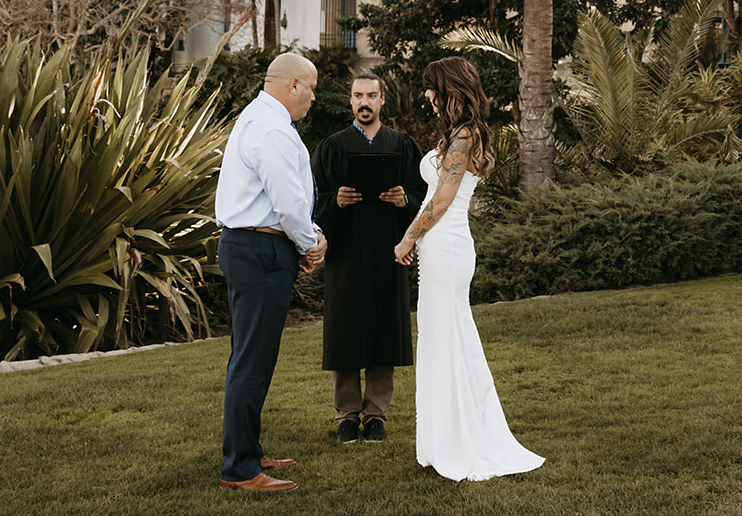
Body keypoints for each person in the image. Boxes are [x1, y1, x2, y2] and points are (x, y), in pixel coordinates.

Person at [394, 56, 544, 482]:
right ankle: (447, 438)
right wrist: (414, 237)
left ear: (449, 89)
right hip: (440, 244)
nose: (426, 96)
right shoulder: (460, 134)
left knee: (447, 338)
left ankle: (462, 441)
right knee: (445, 339)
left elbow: (441, 202)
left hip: (448, 246)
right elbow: (432, 199)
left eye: (431, 88)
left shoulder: (465, 135)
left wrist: (408, 238)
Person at [215, 52, 328, 493]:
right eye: (312, 88)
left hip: (256, 244)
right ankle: (241, 468)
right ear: (293, 85)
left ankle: (247, 447)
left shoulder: (257, 118)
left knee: (252, 355)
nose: (314, 98)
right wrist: (310, 243)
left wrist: (300, 238)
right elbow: (287, 201)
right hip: (260, 248)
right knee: (253, 359)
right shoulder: (273, 129)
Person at [311, 72, 426, 444]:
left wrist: (403, 199)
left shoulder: (403, 144)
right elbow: (311, 199)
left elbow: (424, 196)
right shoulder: (332, 146)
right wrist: (335, 201)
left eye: (371, 96)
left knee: (382, 329)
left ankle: (376, 414)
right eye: (358, 95)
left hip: (389, 251)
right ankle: (346, 414)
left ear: (381, 99)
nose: (365, 102)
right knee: (345, 332)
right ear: (350, 100)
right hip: (345, 253)